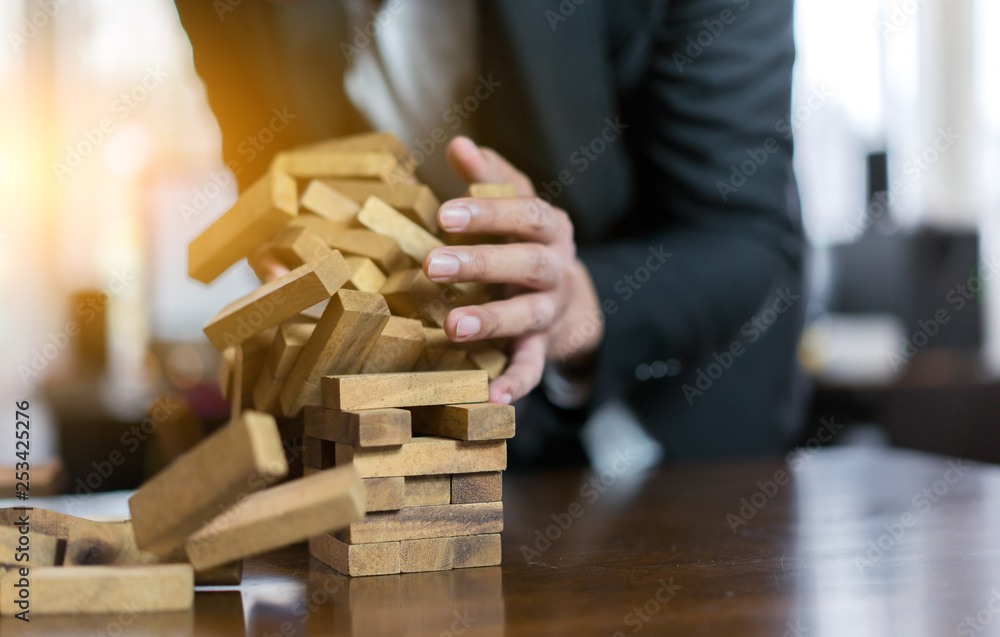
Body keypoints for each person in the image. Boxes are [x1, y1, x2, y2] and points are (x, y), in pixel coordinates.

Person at [175, 0, 808, 464]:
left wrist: (576, 306)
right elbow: (272, 181)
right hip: (421, 448)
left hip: (685, 439)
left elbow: (739, 231)